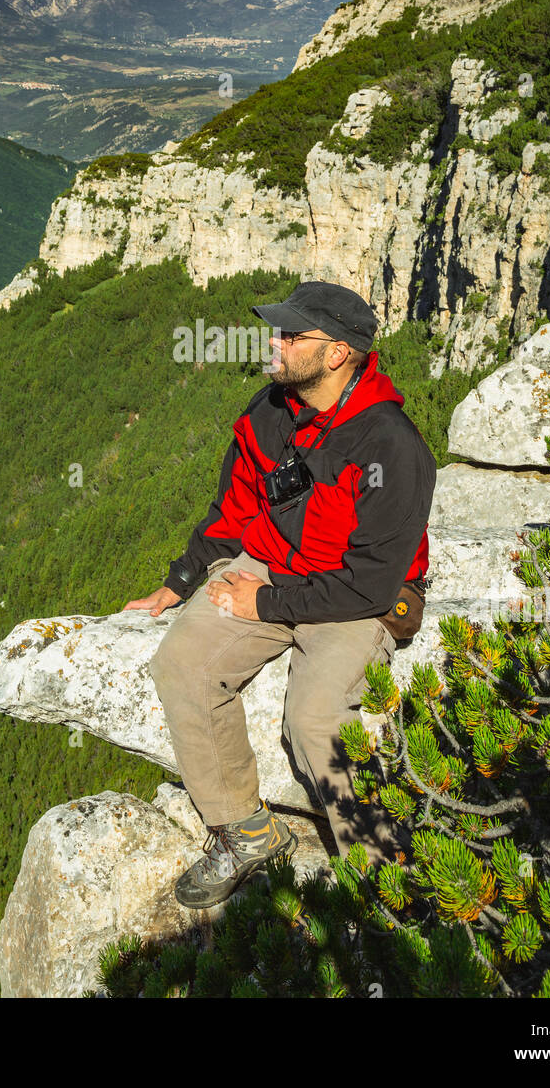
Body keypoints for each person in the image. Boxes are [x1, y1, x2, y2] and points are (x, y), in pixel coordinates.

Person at [123, 280, 436, 909]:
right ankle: (246, 831)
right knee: (181, 664)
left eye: (293, 335)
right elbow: (233, 509)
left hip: (354, 595)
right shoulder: (268, 413)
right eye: (277, 330)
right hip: (268, 567)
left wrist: (263, 605)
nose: (275, 342)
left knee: (315, 720)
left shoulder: (390, 445)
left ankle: (383, 878)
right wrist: (181, 580)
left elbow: (370, 582)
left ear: (338, 353)